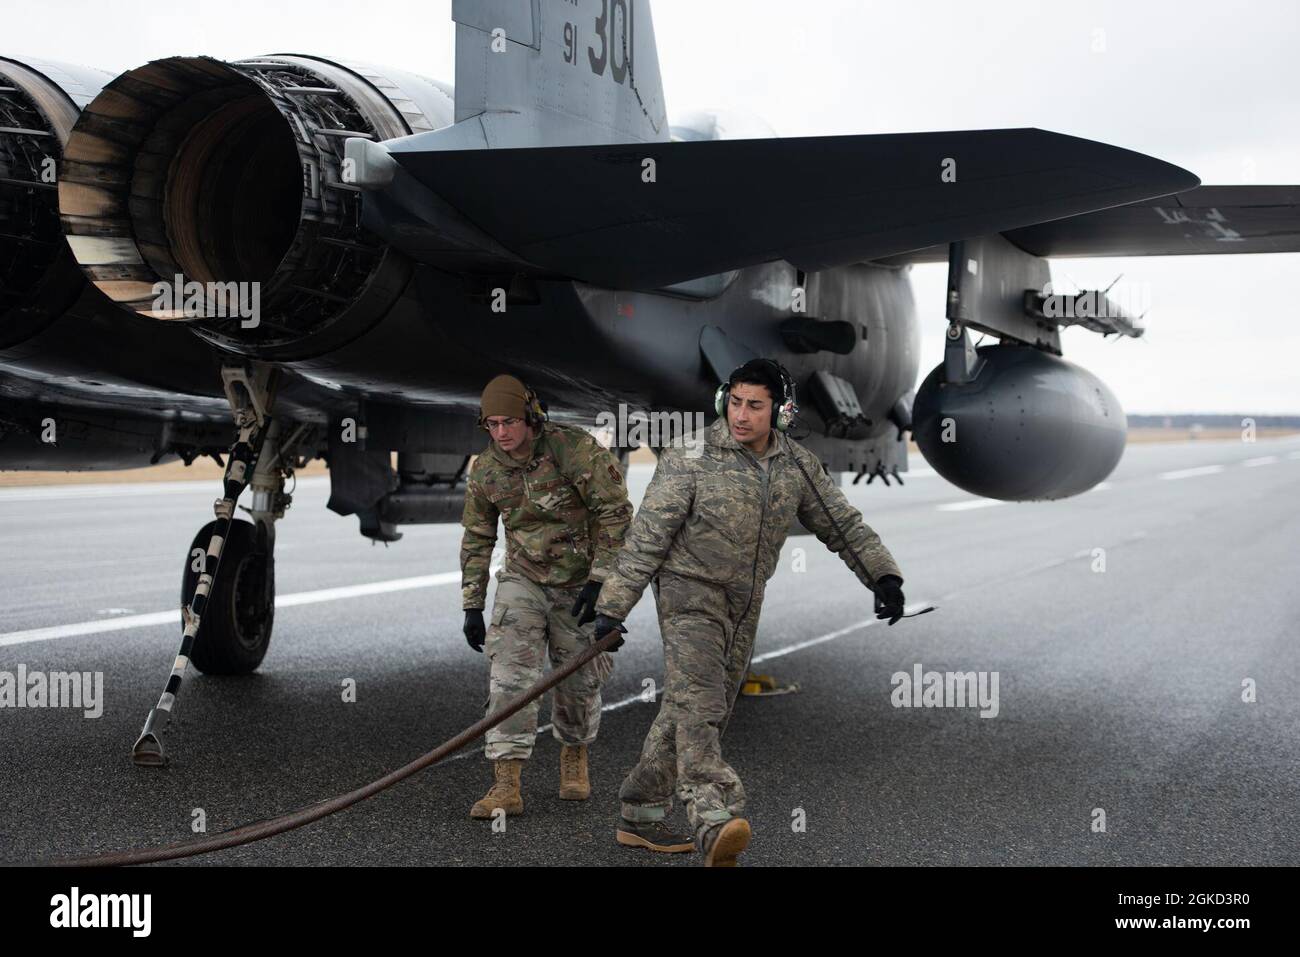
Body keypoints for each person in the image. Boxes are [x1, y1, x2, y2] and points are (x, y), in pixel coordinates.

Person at [591, 358, 906, 865]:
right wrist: (612, 608)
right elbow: (647, 539)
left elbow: (841, 523)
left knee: (687, 708)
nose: (741, 415)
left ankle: (641, 811)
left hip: (744, 601)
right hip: (687, 593)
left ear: (780, 412)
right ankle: (712, 818)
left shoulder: (797, 465)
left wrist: (882, 575)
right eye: (734, 402)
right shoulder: (691, 455)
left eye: (754, 406)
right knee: (703, 704)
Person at [460, 374, 632, 819]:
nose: (502, 433)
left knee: (577, 682)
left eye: (510, 422)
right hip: (524, 579)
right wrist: (472, 604)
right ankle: (506, 783)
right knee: (510, 678)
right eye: (493, 424)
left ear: (531, 417)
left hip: (579, 582)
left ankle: (574, 754)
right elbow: (478, 536)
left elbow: (615, 512)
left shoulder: (573, 450)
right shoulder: (485, 469)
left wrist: (602, 583)